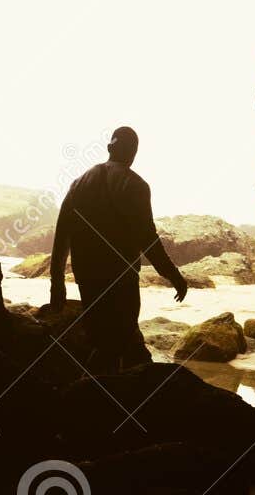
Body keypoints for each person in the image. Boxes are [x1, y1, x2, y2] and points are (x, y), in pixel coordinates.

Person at [46, 126, 187, 373]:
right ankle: (104, 398)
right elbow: (148, 239)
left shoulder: (78, 183)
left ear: (109, 147)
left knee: (100, 340)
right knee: (118, 343)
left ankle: (89, 395)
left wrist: (57, 283)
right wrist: (173, 275)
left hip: (88, 277)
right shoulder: (136, 185)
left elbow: (62, 236)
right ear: (134, 153)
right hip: (120, 278)